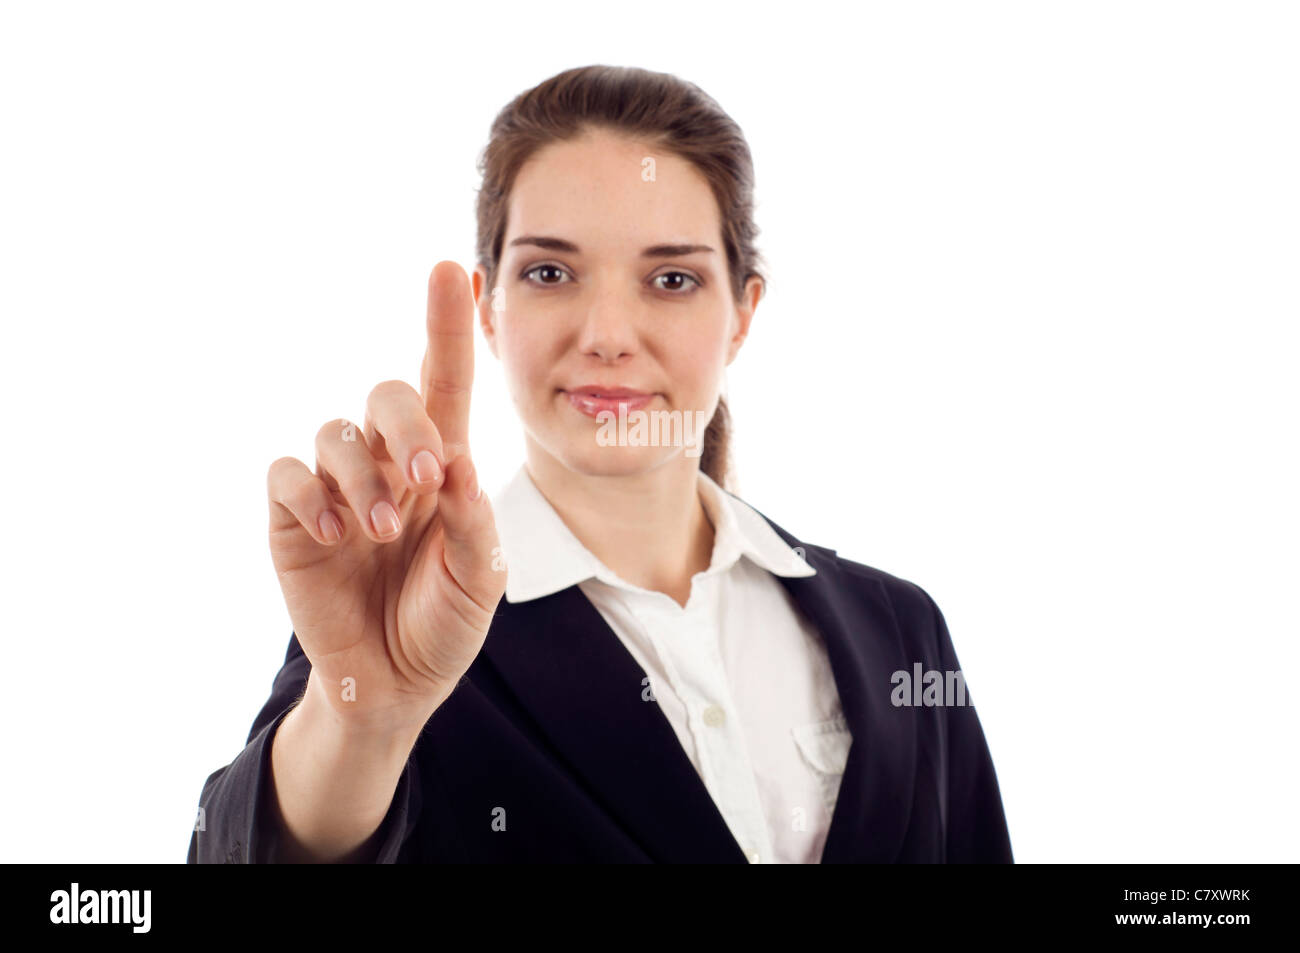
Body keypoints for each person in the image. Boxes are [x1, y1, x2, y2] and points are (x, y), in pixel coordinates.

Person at [187, 64, 1013, 864]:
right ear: (487, 307)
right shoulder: (412, 617)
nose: (609, 333)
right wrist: (360, 721)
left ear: (743, 313)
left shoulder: (901, 632)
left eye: (672, 277)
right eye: (550, 272)